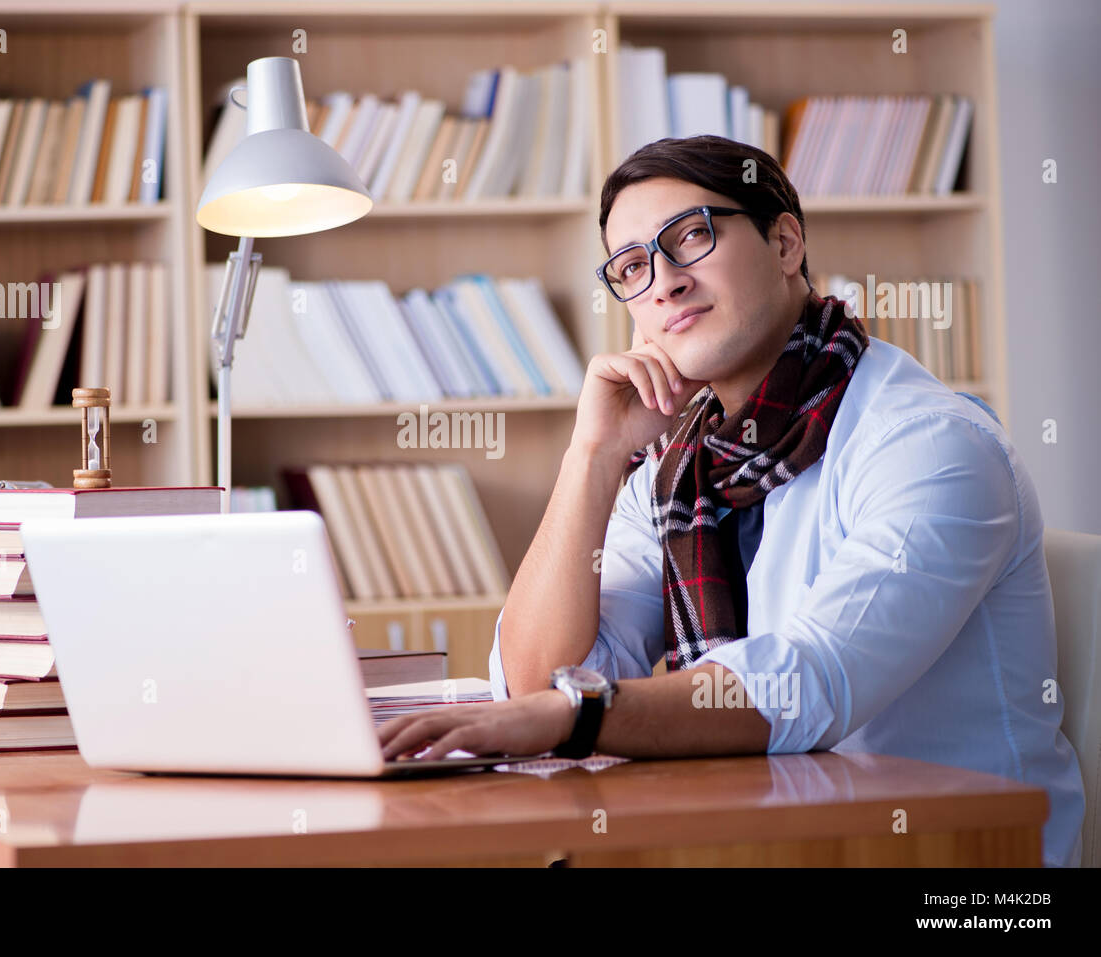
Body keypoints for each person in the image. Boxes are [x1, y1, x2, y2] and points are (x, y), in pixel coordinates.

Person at [376, 135, 1084, 867]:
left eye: (691, 235)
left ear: (785, 242)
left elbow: (811, 680)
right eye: (632, 266)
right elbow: (535, 678)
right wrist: (592, 454)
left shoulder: (931, 443)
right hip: (769, 840)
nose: (664, 283)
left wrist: (576, 713)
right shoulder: (679, 466)